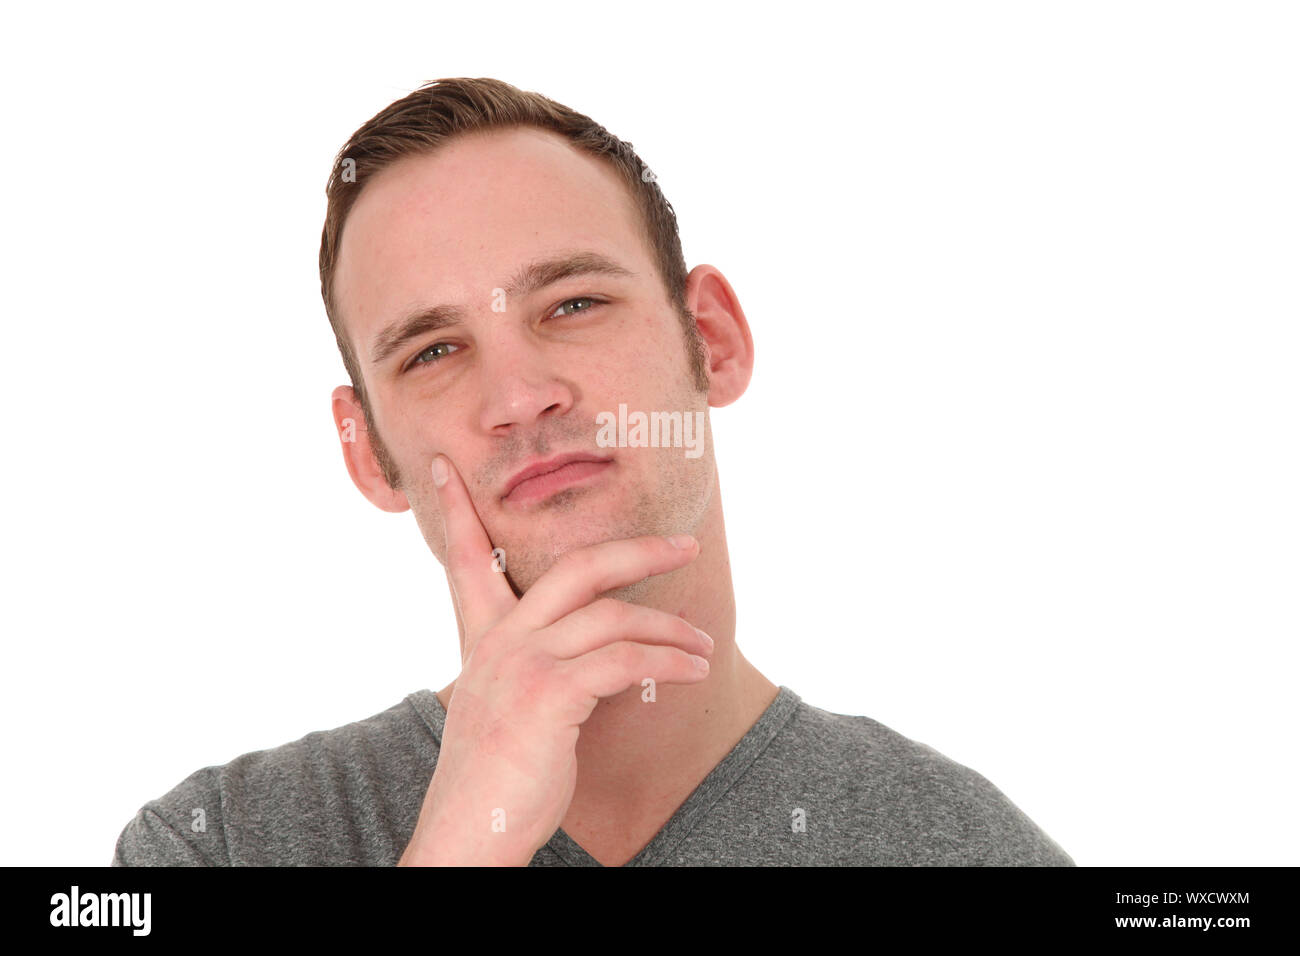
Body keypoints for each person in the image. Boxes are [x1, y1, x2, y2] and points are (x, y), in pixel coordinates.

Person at [112, 77, 1073, 867]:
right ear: (368, 451)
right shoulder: (217, 848)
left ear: (712, 340)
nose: (521, 394)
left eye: (571, 304)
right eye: (433, 353)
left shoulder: (967, 850)